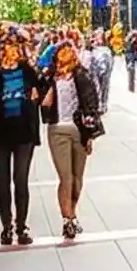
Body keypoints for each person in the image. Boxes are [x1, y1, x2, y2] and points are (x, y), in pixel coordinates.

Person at [0, 29, 41, 246]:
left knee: (21, 180)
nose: (10, 51)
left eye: (14, 47)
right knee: (3, 183)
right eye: (6, 47)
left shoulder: (27, 71)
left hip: (24, 134)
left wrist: (37, 95)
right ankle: (6, 227)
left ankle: (22, 226)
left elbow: (42, 91)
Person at [41, 42, 103, 240]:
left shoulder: (82, 76)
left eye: (69, 52)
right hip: (57, 130)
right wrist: (48, 89)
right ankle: (67, 219)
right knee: (65, 177)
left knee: (77, 179)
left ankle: (73, 212)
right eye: (61, 53)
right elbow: (41, 103)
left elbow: (91, 104)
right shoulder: (49, 77)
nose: (65, 56)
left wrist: (90, 135)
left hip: (78, 131)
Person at [89, 31, 114, 112]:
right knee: (96, 87)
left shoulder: (107, 50)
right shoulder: (93, 50)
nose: (98, 40)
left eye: (100, 37)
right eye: (97, 37)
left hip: (105, 72)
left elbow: (110, 62)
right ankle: (98, 104)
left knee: (104, 87)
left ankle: (103, 104)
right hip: (95, 71)